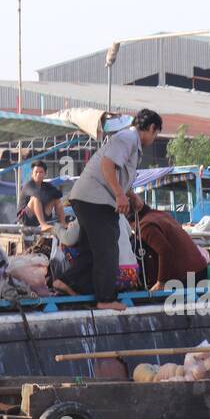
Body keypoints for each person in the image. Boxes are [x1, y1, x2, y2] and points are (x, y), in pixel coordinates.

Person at [67, 108, 163, 310]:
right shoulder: (128, 137)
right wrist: (120, 194)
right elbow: (108, 165)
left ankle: (67, 282)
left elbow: (117, 174)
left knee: (92, 247)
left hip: (87, 197)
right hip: (95, 198)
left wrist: (129, 194)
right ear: (152, 128)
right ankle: (105, 298)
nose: (154, 138)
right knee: (108, 247)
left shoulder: (130, 142)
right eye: (156, 134)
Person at [127, 193, 208, 291]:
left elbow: (165, 251)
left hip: (188, 277)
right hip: (200, 270)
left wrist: (161, 282)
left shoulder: (145, 226)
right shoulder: (159, 214)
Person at [17, 160, 65, 229]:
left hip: (41, 215)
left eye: (41, 172)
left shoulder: (46, 185)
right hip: (26, 218)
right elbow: (39, 195)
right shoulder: (28, 186)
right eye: (36, 172)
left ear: (45, 174)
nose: (38, 175)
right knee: (35, 198)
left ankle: (63, 224)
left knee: (56, 199)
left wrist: (48, 195)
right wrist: (49, 194)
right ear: (32, 174)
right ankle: (43, 225)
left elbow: (59, 194)